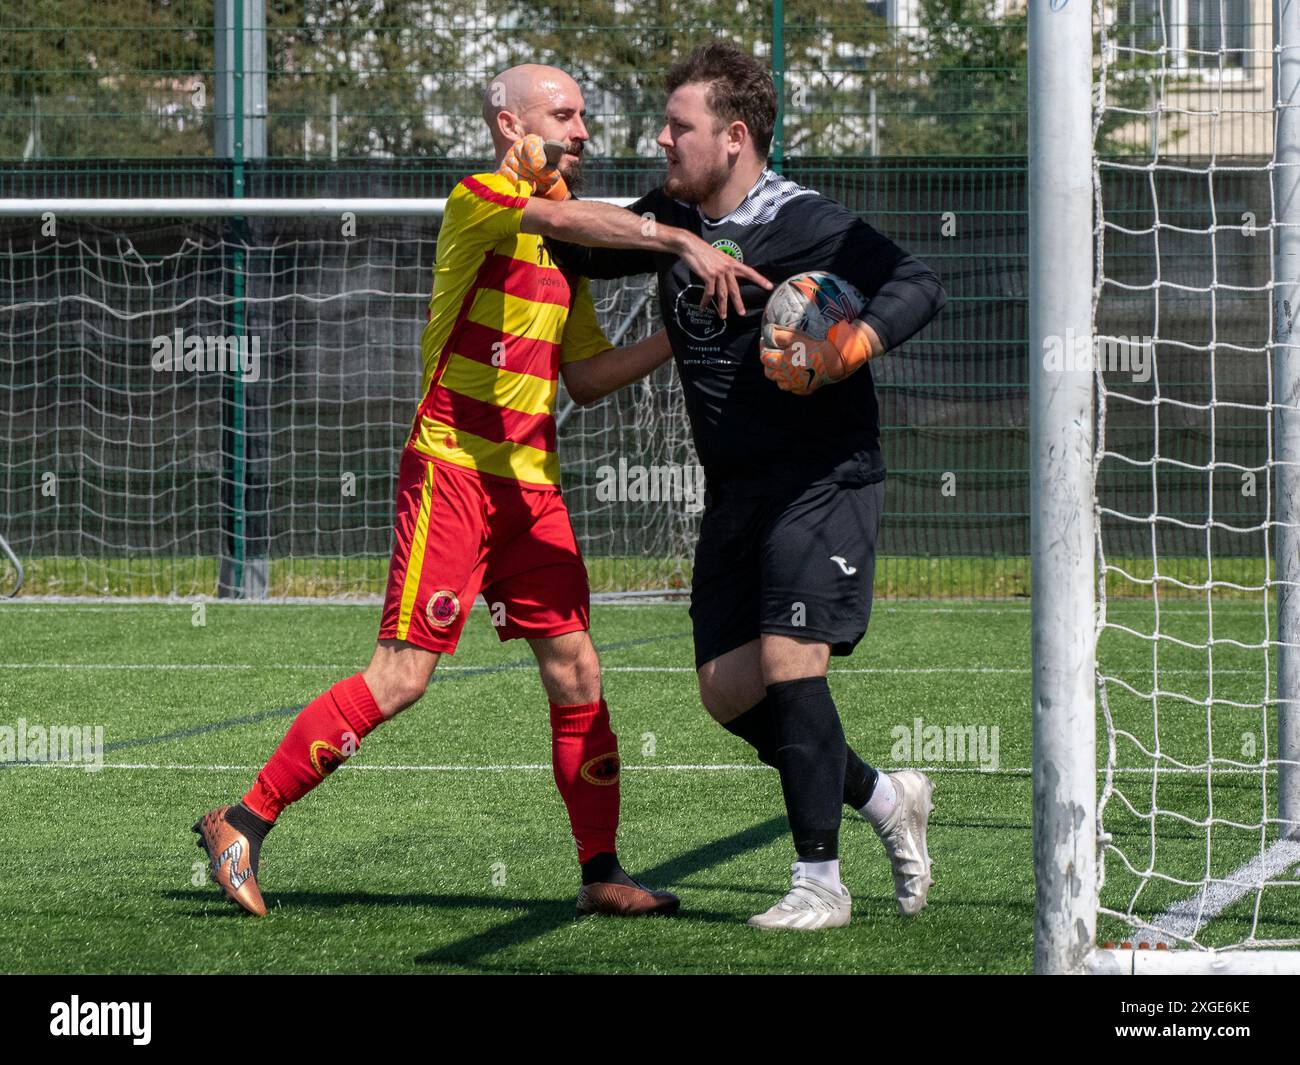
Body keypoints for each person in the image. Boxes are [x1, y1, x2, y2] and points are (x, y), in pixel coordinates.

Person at [192, 62, 771, 919]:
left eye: (584, 117)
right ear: (511, 127)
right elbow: (564, 214)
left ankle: (601, 870)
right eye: (564, 116)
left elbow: (584, 377)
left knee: (578, 670)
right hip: (453, 475)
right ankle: (242, 819)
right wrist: (680, 239)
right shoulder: (481, 201)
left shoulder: (561, 250)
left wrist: (679, 338)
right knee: (402, 676)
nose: (582, 133)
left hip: (531, 490)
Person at [546, 44, 947, 929]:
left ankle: (819, 884)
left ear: (733, 138)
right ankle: (885, 797)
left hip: (822, 479)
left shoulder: (809, 220)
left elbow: (917, 281)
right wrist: (526, 178)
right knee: (729, 690)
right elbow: (570, 238)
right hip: (734, 492)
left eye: (677, 127)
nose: (660, 138)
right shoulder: (672, 217)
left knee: (785, 661)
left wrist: (853, 345)